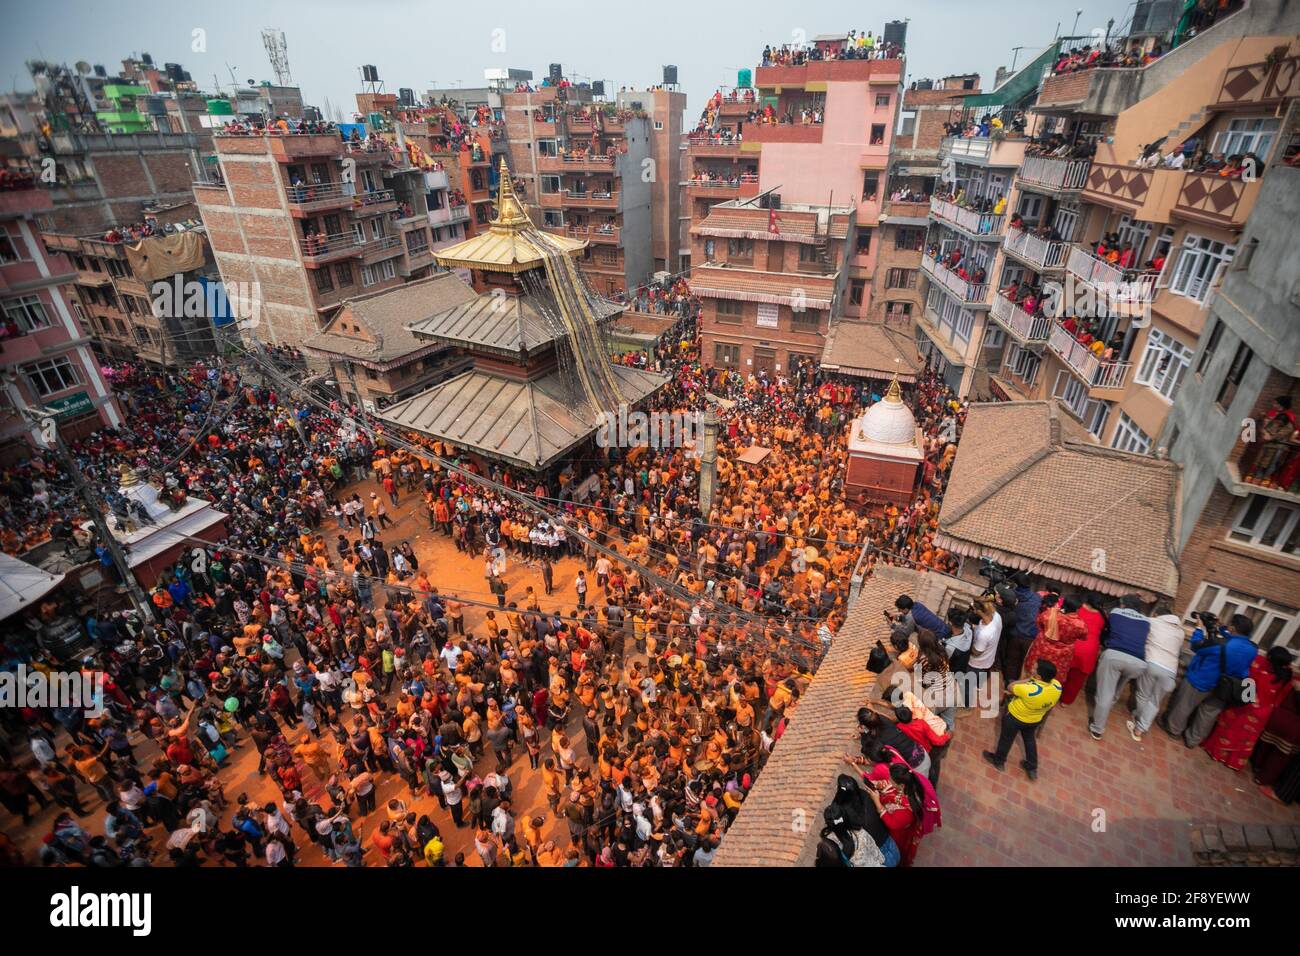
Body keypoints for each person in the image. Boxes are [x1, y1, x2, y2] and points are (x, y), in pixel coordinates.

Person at [1162, 614, 1258, 748]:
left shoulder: (1221, 644)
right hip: (1225, 687)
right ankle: (1192, 740)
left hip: (1202, 681)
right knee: (1207, 715)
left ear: (1233, 628)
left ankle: (1174, 730)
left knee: (1185, 705)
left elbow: (1196, 646)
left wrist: (1199, 629)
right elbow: (1233, 641)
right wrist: (1220, 626)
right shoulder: (1253, 648)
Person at [1202, 647, 1295, 770]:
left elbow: (1247, 690)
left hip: (1247, 707)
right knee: (1246, 738)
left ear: (1271, 658)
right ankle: (1234, 762)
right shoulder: (1286, 677)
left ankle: (1218, 754)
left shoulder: (1259, 671)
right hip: (1264, 712)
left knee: (1230, 729)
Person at [984, 659, 1061, 781]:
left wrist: (1029, 679)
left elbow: (1011, 686)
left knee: (1006, 739)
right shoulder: (1057, 686)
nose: (1032, 669)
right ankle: (1032, 766)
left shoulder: (1030, 690)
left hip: (1015, 717)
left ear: (1039, 676)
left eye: (1035, 669)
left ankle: (999, 760)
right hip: (1034, 719)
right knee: (1030, 741)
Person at [1088, 594, 1150, 740]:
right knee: (1115, 692)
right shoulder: (1146, 620)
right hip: (1139, 664)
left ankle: (1097, 728)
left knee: (1105, 694)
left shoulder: (1116, 612)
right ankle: (1105, 711)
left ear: (1124, 604)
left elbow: (1108, 629)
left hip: (1115, 656)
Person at [1128, 603, 1185, 742]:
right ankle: (1140, 730)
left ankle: (1138, 719)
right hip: (1170, 670)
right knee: (1155, 702)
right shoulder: (1181, 632)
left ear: (1157, 615)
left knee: (1143, 695)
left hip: (1152, 662)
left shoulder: (1152, 622)